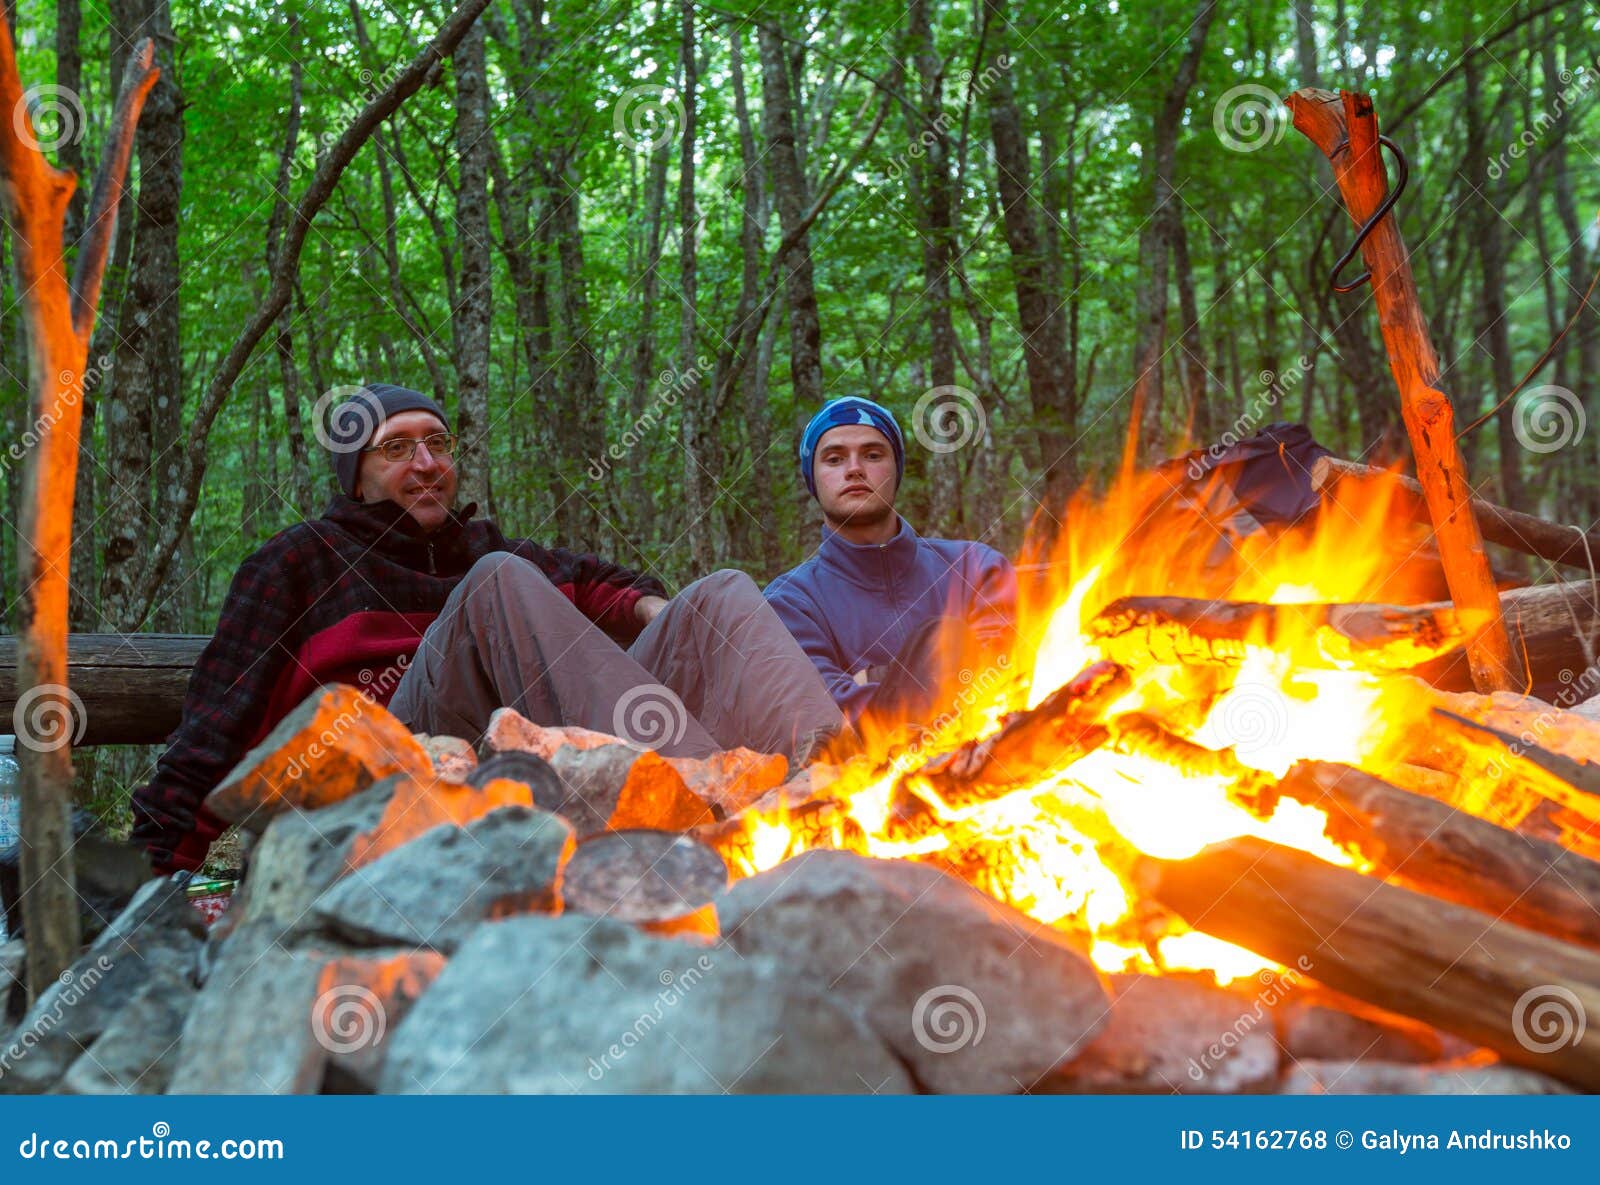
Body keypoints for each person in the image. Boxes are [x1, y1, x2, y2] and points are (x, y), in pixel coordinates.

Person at [131, 383, 841, 874]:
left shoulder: (476, 544)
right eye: (397, 449)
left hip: (515, 762)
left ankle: (834, 797)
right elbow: (215, 722)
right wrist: (158, 869)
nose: (426, 464)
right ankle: (703, 809)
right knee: (498, 577)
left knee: (720, 593)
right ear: (356, 477)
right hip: (392, 779)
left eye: (437, 444)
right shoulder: (298, 560)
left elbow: (595, 580)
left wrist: (656, 611)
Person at [765, 396, 1017, 729]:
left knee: (948, 637)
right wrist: (925, 677)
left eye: (872, 455)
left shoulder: (977, 567)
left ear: (896, 468)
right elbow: (823, 714)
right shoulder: (788, 603)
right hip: (868, 763)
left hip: (995, 751)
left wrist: (869, 678)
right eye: (834, 459)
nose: (854, 469)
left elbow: (1003, 676)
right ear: (812, 478)